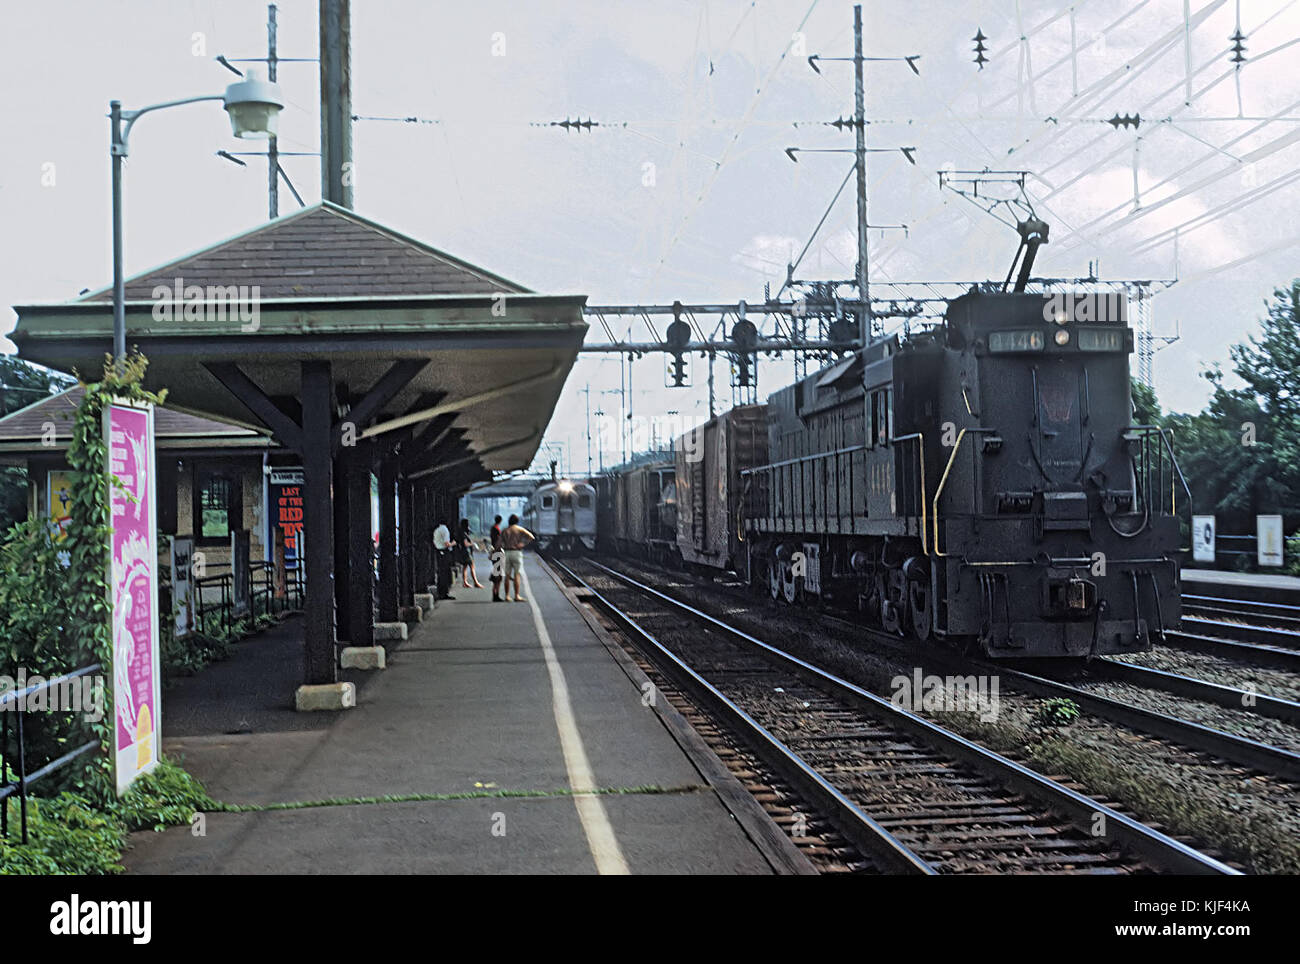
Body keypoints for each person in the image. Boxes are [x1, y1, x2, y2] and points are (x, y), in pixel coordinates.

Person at [500, 514, 535, 602]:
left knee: (507, 575)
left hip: (506, 553)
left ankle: (507, 596)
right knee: (517, 575)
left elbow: (498, 544)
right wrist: (522, 544)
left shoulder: (504, 530)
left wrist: (494, 552)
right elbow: (531, 537)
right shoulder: (519, 529)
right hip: (517, 553)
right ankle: (516, 595)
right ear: (517, 521)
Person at [459, 518, 484, 589]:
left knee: (465, 567)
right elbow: (466, 544)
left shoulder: (462, 532)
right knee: (472, 567)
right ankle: (475, 582)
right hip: (467, 552)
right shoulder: (463, 533)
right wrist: (472, 543)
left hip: (464, 552)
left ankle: (465, 582)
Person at [432, 520, 454, 600]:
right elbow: (447, 543)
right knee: (445, 573)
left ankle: (440, 592)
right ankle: (444, 593)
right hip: (444, 552)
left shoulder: (436, 529)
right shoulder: (444, 529)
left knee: (441, 573)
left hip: (438, 552)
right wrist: (454, 543)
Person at [489, 515, 504, 602]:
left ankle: (495, 594)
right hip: (497, 553)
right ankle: (496, 595)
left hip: (495, 552)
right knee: (498, 576)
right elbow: (498, 542)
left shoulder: (492, 528)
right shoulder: (497, 529)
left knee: (496, 573)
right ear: (500, 521)